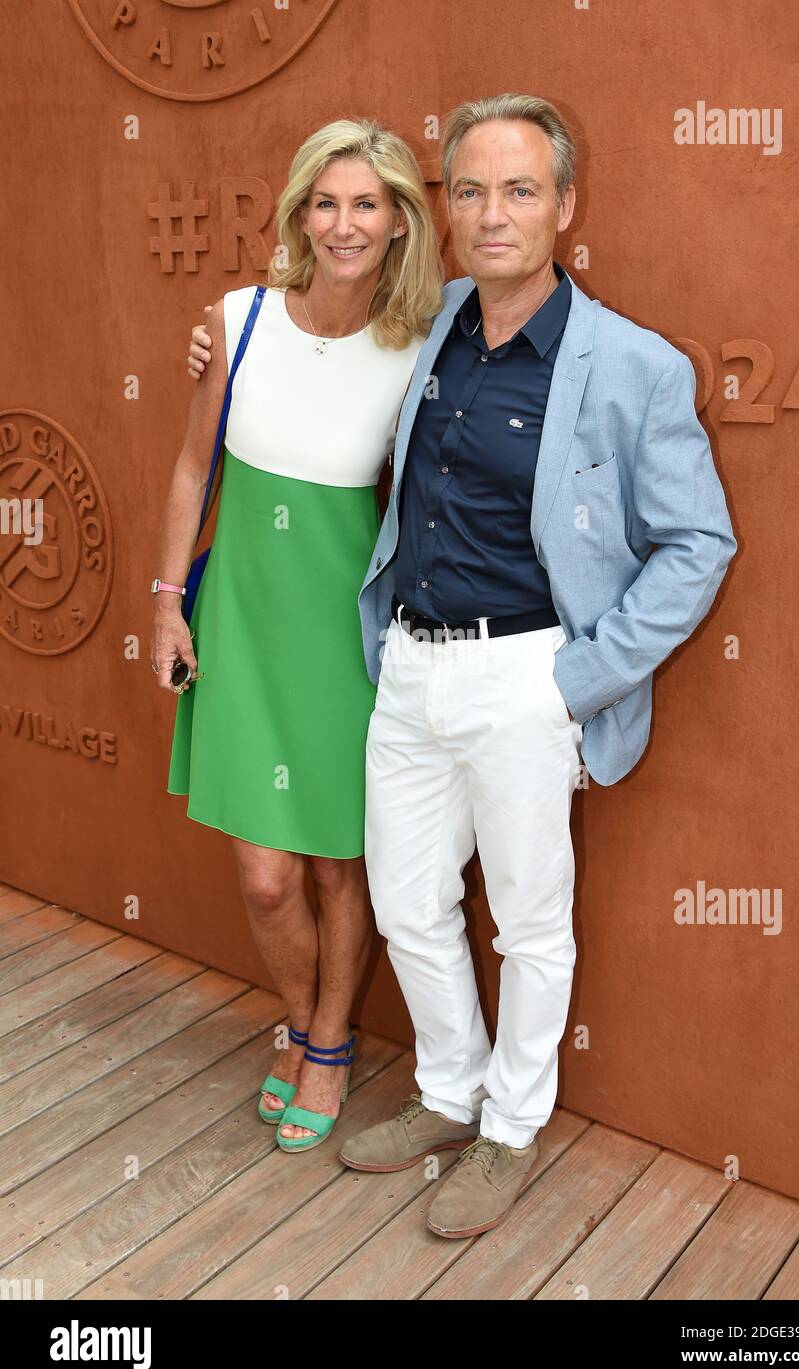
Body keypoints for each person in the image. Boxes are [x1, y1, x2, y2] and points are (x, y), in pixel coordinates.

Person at [185, 92, 736, 1238]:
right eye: (471, 191)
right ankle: (445, 1091)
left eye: (519, 190)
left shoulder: (629, 364)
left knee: (529, 921)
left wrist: (579, 679)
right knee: (407, 899)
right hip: (407, 668)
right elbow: (316, 320)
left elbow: (699, 543)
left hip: (527, 676)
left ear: (563, 206)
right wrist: (216, 337)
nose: (492, 214)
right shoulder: (425, 320)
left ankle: (509, 1127)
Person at [152, 118, 441, 1152]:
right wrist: (164, 600)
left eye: (367, 203)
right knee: (266, 872)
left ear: (400, 220)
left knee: (334, 867)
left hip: (345, 637)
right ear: (298, 214)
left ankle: (324, 1040)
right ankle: (298, 1014)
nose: (343, 223)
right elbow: (194, 469)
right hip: (240, 619)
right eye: (325, 202)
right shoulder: (235, 320)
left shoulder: (422, 343)